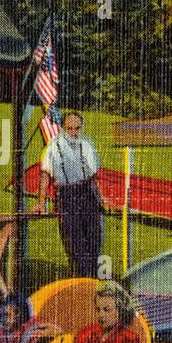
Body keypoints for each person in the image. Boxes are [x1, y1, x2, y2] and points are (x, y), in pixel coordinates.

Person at [33, 111, 105, 279]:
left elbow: (93, 177)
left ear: (82, 127)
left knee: (94, 244)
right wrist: (41, 202)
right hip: (67, 196)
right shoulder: (54, 147)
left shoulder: (87, 144)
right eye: (70, 128)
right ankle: (79, 284)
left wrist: (101, 198)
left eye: (77, 128)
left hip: (88, 194)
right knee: (75, 246)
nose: (74, 132)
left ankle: (93, 285)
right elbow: (45, 175)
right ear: (63, 128)